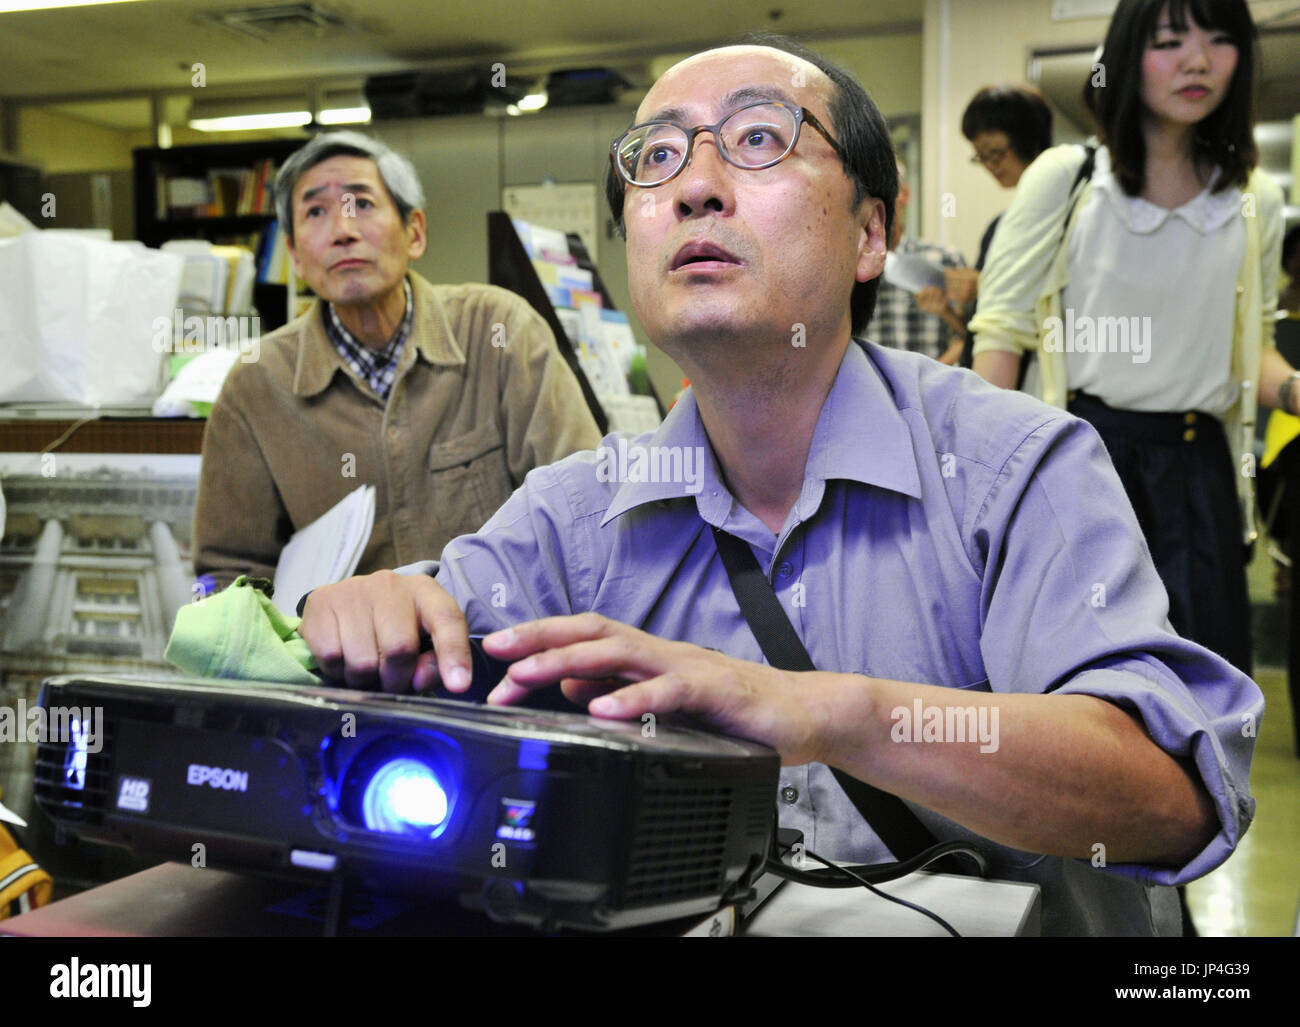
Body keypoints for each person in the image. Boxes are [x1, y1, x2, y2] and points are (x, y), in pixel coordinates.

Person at [297, 37, 1260, 935]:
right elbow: (428, 642)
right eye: (658, 159)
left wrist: (832, 713)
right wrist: (382, 610)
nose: (695, 190)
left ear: (872, 234)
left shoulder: (1015, 466)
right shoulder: (578, 515)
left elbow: (1169, 800)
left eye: (760, 139)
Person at [970, 0, 1290, 678]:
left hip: (1199, 469)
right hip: (1084, 456)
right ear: (1125, 56)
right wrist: (978, 494)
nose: (1198, 60)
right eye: (1171, 40)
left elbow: (1249, 347)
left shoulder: (1253, 196)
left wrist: (1291, 387)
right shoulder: (1068, 178)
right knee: (1086, 684)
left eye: (1221, 39)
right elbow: (1000, 337)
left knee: (1205, 687)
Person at [193, 131, 602, 588]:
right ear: (294, 257)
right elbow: (230, 573)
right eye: (315, 212)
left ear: (415, 233)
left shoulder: (499, 332)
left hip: (504, 647)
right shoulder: (256, 385)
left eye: (362, 204)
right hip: (338, 659)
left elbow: (582, 504)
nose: (343, 232)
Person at [955, 83, 1055, 367]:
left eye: (996, 153)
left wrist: (986, 284)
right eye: (980, 155)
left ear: (1029, 140)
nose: (989, 164)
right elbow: (984, 330)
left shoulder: (1067, 216)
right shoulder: (999, 227)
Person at [868, 160, 969, 364]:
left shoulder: (945, 259)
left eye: (885, 192)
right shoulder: (848, 269)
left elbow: (973, 336)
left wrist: (945, 311)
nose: (876, 205)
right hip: (869, 392)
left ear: (904, 194)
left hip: (937, 390)